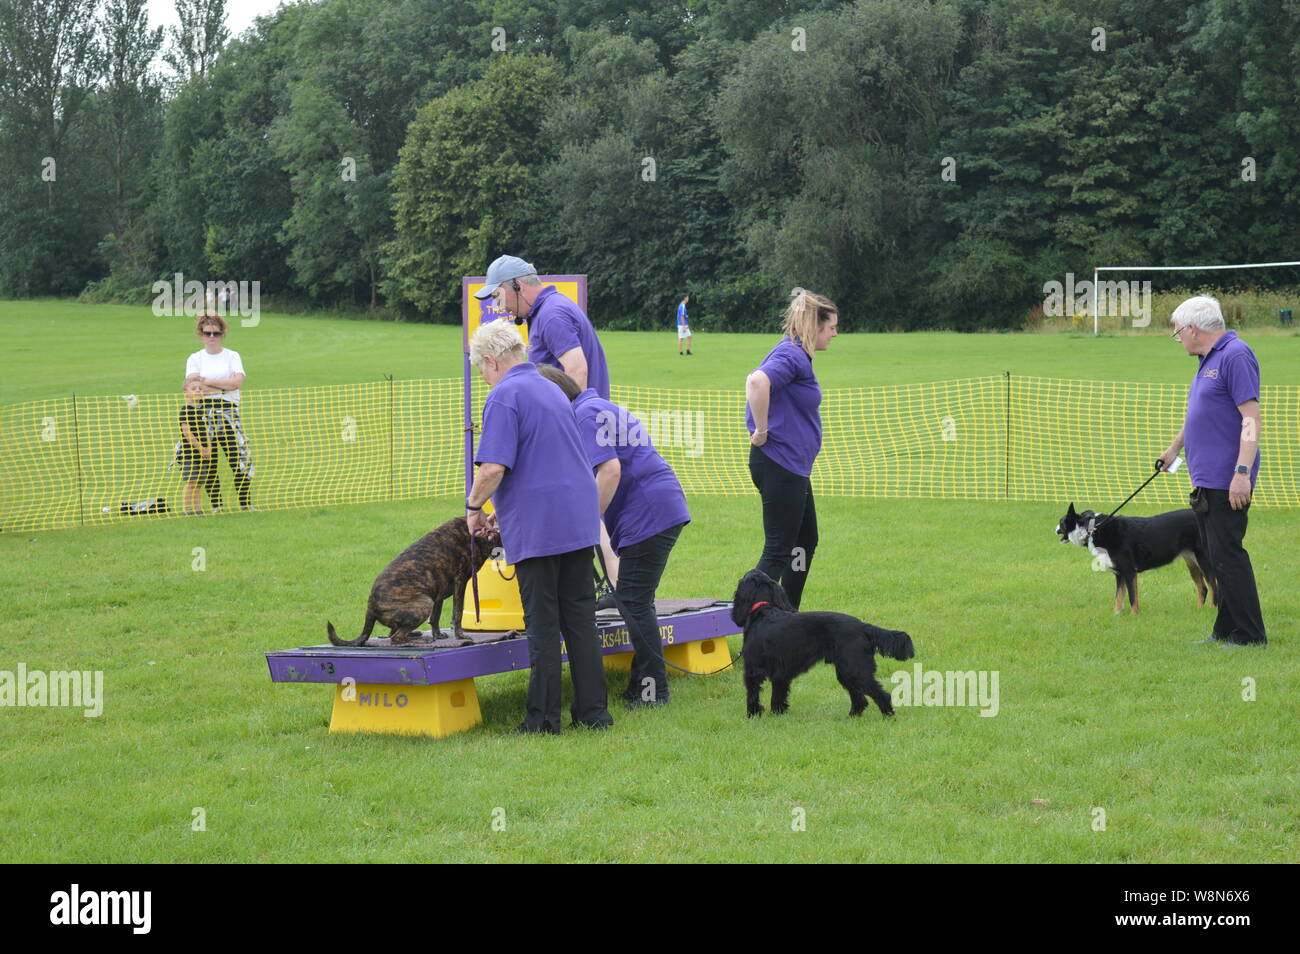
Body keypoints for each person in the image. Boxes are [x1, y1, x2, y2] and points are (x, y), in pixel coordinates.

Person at [465, 321, 613, 733]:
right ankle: (593, 712)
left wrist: (474, 508)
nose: (484, 378)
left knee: (543, 623)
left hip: (541, 528)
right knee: (580, 620)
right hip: (578, 518)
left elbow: (492, 468)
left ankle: (543, 719)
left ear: (492, 362)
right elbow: (545, 458)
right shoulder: (552, 388)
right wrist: (505, 509)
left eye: (482, 370)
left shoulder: (504, 395)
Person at [537, 365, 690, 708]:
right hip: (658, 506)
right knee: (635, 599)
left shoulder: (584, 416)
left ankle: (653, 690)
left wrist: (584, 520)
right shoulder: (595, 407)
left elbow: (610, 471)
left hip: (648, 512)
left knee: (634, 602)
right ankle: (641, 684)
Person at [1159, 296, 1266, 646]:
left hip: (1227, 478)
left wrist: (1242, 472)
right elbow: (1200, 413)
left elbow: (1250, 418)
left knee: (1228, 555)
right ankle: (1225, 630)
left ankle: (1249, 634)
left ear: (1193, 329)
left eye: (1178, 332)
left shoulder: (1236, 355)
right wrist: (1174, 448)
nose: (1179, 339)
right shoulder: (1208, 360)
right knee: (1216, 557)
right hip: (1205, 477)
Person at [745, 288, 839, 610]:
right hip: (779, 465)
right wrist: (761, 430)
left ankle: (788, 612)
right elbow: (757, 382)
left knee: (804, 541)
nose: (835, 334)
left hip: (792, 467)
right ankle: (749, 615)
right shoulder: (793, 355)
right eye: (831, 327)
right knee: (778, 550)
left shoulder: (797, 354)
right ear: (815, 326)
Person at [474, 255, 611, 399]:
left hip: (578, 413)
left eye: (498, 296)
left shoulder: (551, 315)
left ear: (518, 286)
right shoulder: (549, 308)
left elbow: (577, 371)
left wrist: (565, 413)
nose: (500, 307)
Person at [184, 313, 254, 513]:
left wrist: (207, 382)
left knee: (239, 459)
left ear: (223, 333)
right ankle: (217, 506)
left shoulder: (232, 356)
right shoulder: (195, 358)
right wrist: (223, 386)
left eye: (216, 333)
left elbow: (237, 383)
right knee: (209, 461)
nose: (212, 337)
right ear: (201, 334)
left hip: (229, 412)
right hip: (203, 413)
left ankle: (246, 505)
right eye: (208, 333)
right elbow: (193, 387)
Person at [177, 381, 214, 515]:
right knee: (191, 482)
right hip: (190, 454)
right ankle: (187, 509)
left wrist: (208, 448)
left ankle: (198, 509)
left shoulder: (202, 410)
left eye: (200, 388)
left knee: (199, 483)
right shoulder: (186, 410)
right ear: (186, 393)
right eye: (194, 388)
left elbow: (207, 431)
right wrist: (200, 448)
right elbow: (187, 432)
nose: (198, 390)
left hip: (203, 453)